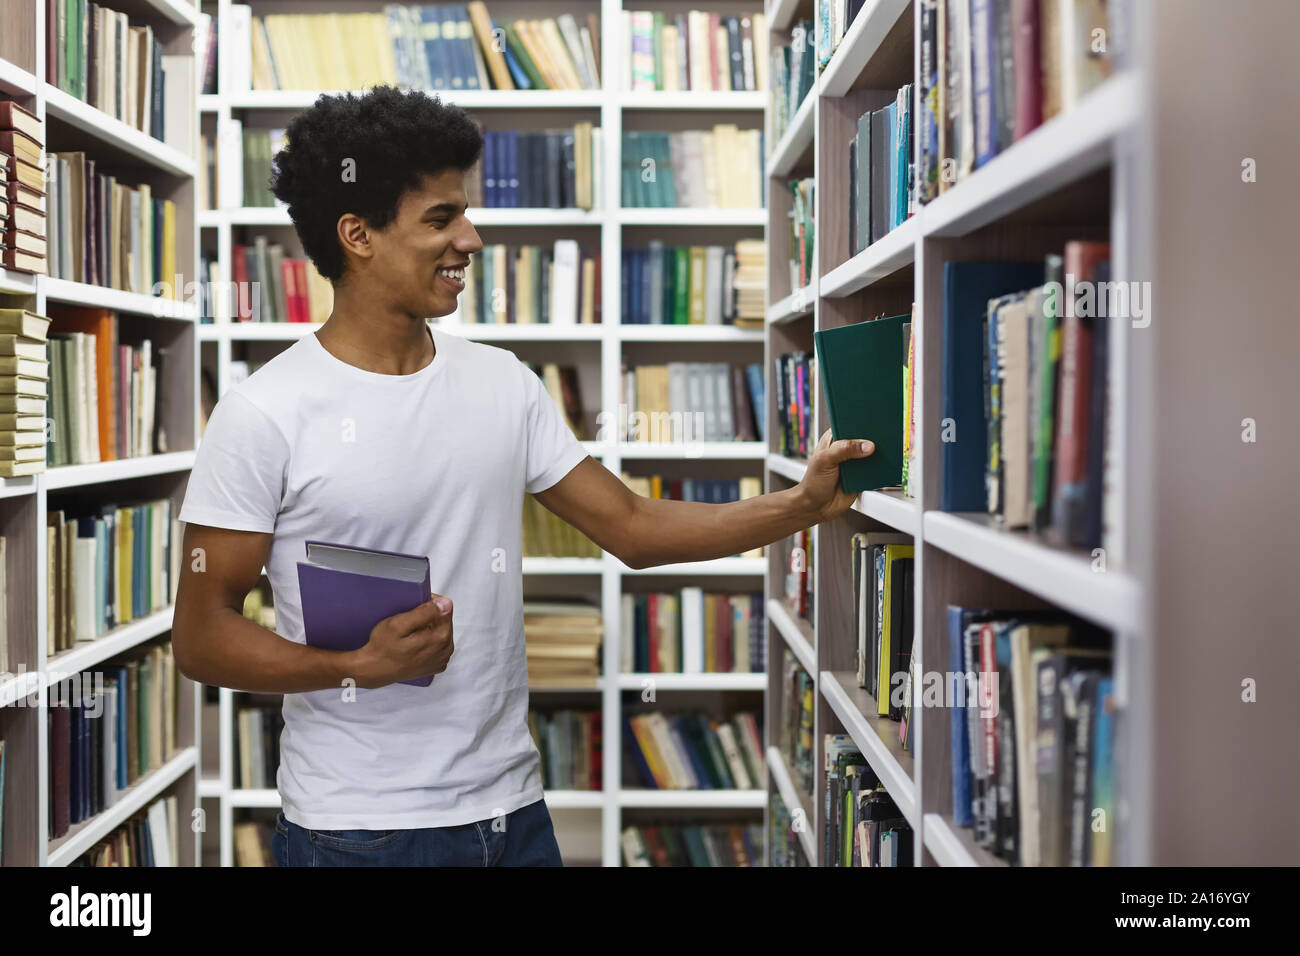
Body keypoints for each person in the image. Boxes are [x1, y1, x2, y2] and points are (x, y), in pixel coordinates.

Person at [172, 86, 875, 867]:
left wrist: (804, 504)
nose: (470, 239)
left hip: (511, 813)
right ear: (357, 235)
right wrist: (350, 667)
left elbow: (634, 530)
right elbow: (202, 636)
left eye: (464, 213)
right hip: (354, 829)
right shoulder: (263, 412)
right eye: (440, 219)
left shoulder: (504, 384)